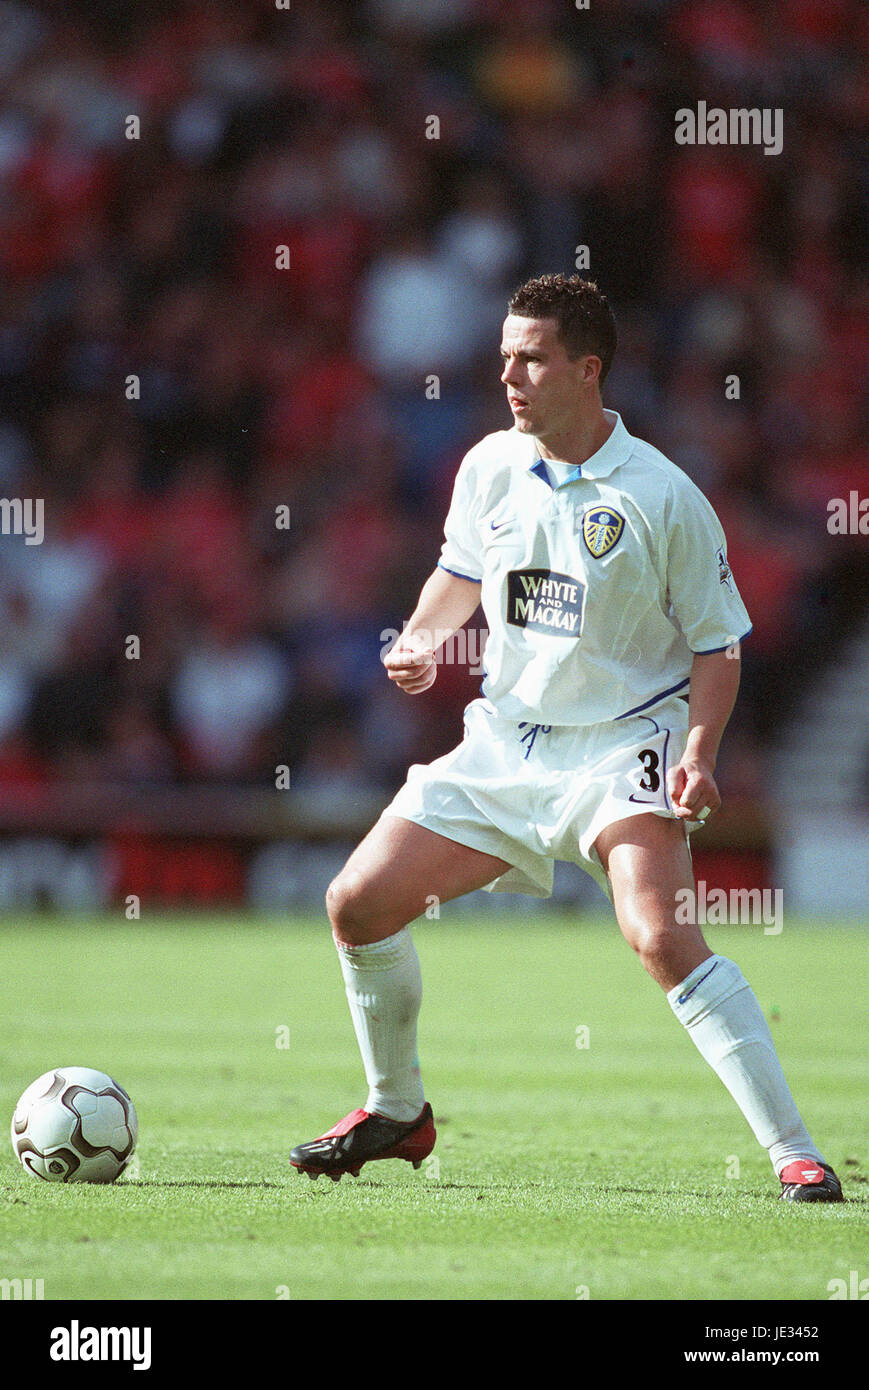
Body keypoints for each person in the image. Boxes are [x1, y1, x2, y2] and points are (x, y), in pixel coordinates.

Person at [290, 274, 842, 1203]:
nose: (509, 375)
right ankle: (396, 1112)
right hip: (504, 744)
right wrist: (422, 636)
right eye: (505, 356)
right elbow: (459, 573)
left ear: (587, 370)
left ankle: (794, 1152)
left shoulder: (661, 494)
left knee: (659, 937)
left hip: (622, 747)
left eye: (531, 359)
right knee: (357, 903)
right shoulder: (487, 466)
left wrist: (698, 753)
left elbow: (718, 644)